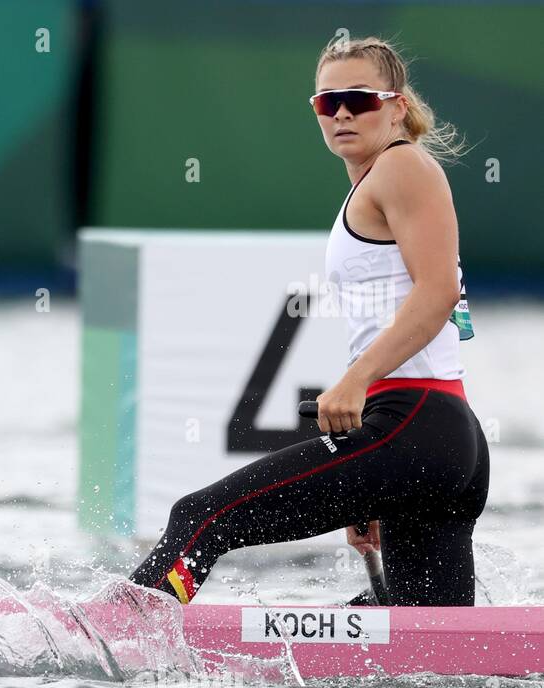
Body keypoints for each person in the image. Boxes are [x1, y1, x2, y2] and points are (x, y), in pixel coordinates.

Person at [130, 36, 487, 607]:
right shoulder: (382, 178)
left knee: (201, 515)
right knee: (422, 647)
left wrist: (355, 382)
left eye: (360, 99)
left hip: (413, 423)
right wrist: (370, 484)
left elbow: (439, 291)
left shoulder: (402, 167)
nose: (342, 112)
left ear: (397, 106)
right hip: (437, 439)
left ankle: (123, 630)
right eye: (327, 102)